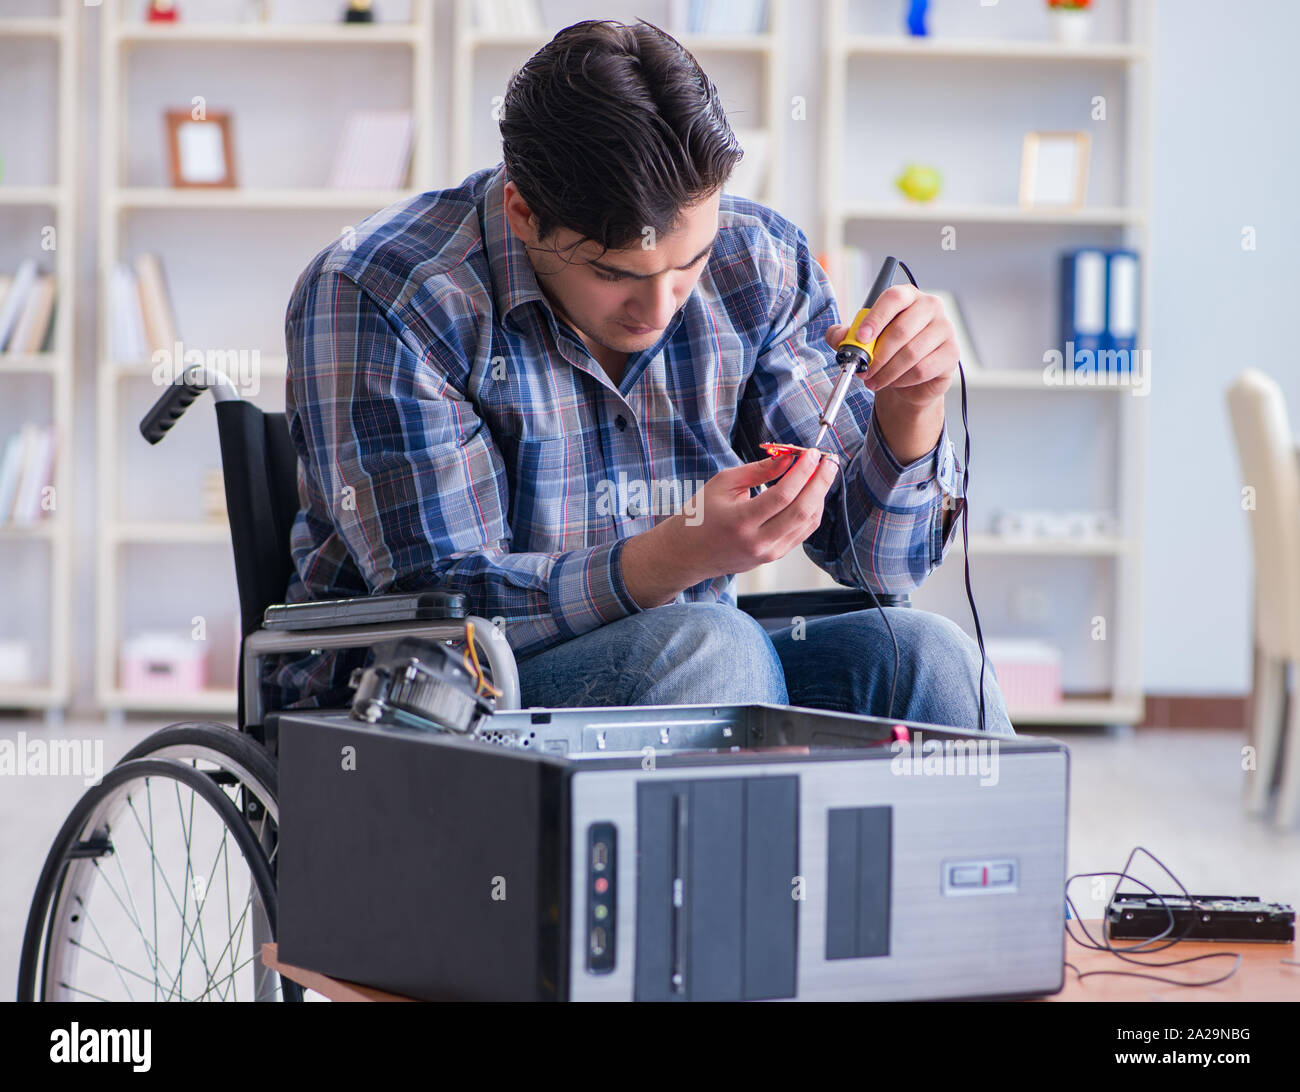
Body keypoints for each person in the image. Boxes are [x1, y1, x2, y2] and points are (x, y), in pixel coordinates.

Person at [264, 18, 1013, 734]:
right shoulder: (386, 291)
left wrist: (912, 411)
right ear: (524, 214)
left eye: (689, 263)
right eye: (614, 273)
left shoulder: (757, 262)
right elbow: (441, 613)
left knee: (929, 656)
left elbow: (878, 564)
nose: (659, 307)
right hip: (430, 695)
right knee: (711, 646)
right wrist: (678, 554)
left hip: (696, 662)